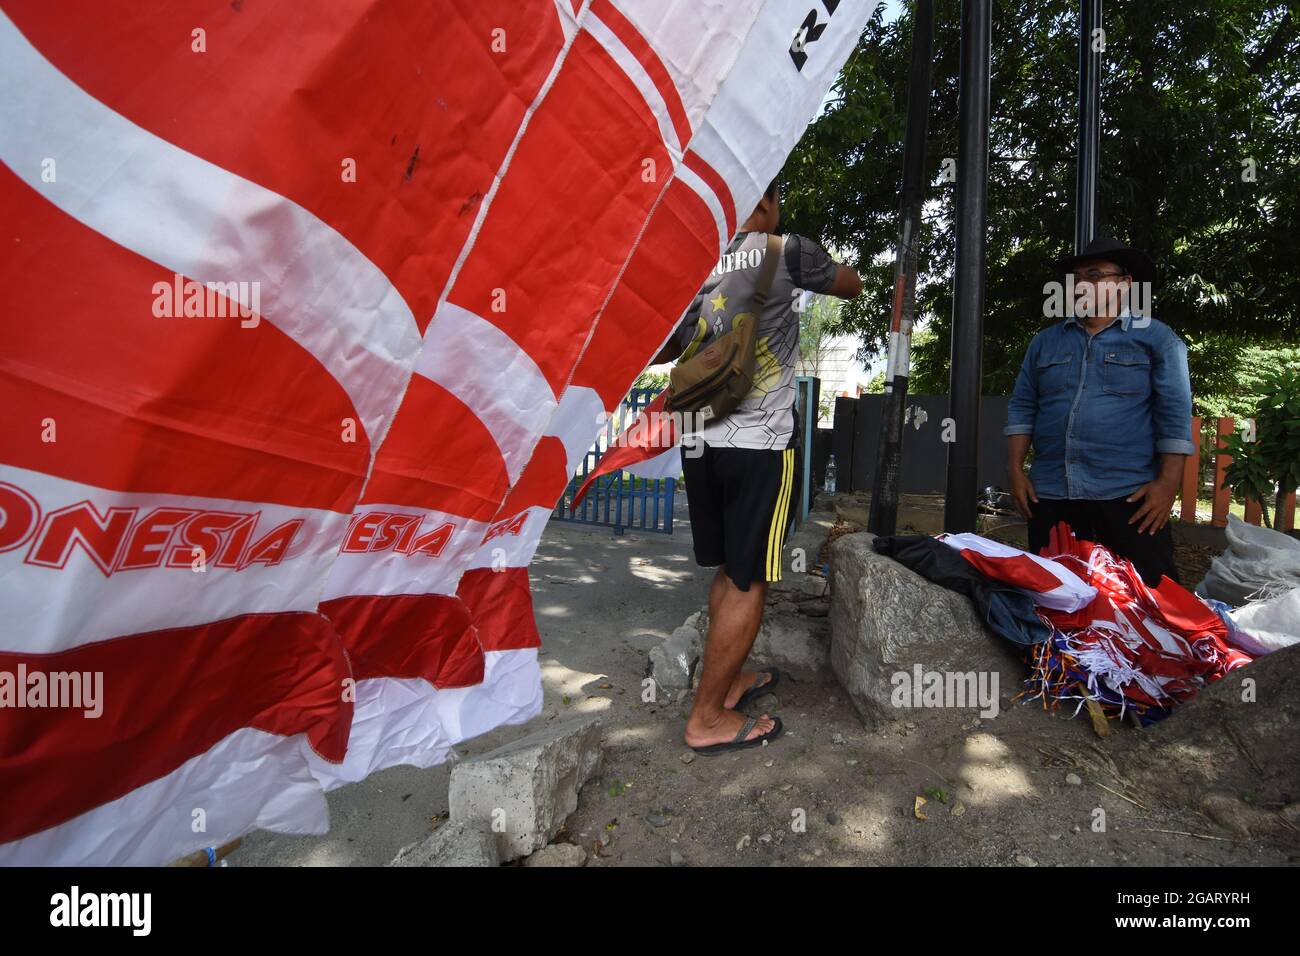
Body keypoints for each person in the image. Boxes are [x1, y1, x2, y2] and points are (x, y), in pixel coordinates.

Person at [650, 179, 862, 754]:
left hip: (699, 442)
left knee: (728, 569)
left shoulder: (694, 269)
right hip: (759, 446)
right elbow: (851, 283)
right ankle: (706, 718)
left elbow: (664, 347)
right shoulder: (787, 251)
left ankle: (727, 681)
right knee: (750, 579)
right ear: (766, 200)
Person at [1004, 236, 1195, 585]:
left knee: (1155, 599)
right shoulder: (1045, 343)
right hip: (1051, 493)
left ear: (1124, 284)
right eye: (1076, 277)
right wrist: (1016, 469)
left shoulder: (1157, 339)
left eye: (1094, 274)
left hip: (1130, 497)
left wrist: (1168, 484)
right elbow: (1023, 405)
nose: (1081, 284)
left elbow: (1175, 414)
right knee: (1057, 598)